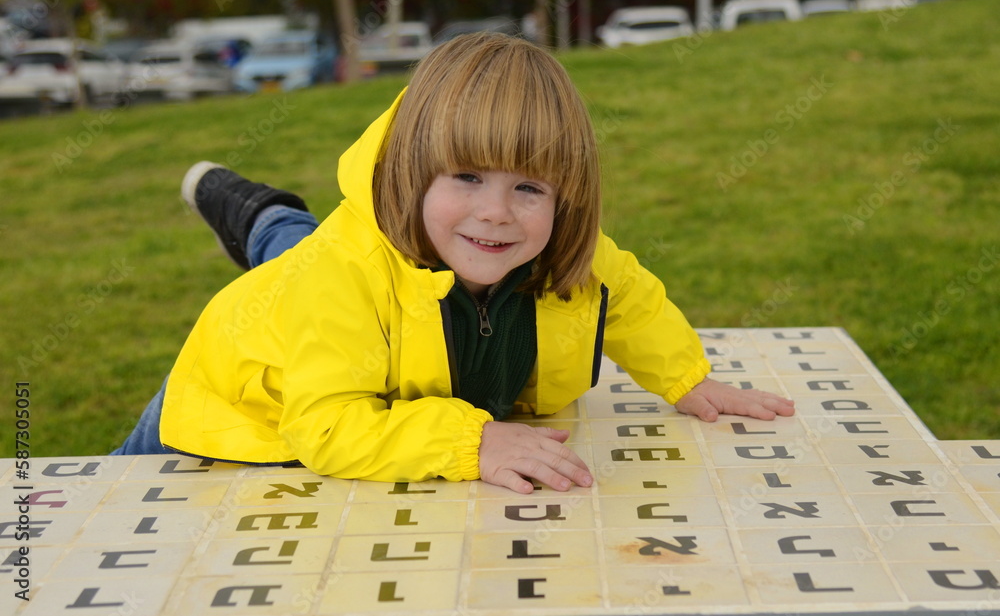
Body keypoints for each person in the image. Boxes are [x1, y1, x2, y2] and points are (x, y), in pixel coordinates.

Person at [113, 32, 794, 495]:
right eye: (467, 176)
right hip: (237, 382)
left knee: (304, 248)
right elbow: (326, 426)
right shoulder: (339, 278)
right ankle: (249, 209)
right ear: (410, 174)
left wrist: (685, 377)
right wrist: (472, 442)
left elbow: (633, 299)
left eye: (528, 188)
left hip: (364, 292)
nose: (497, 211)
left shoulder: (558, 247)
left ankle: (256, 212)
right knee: (87, 520)